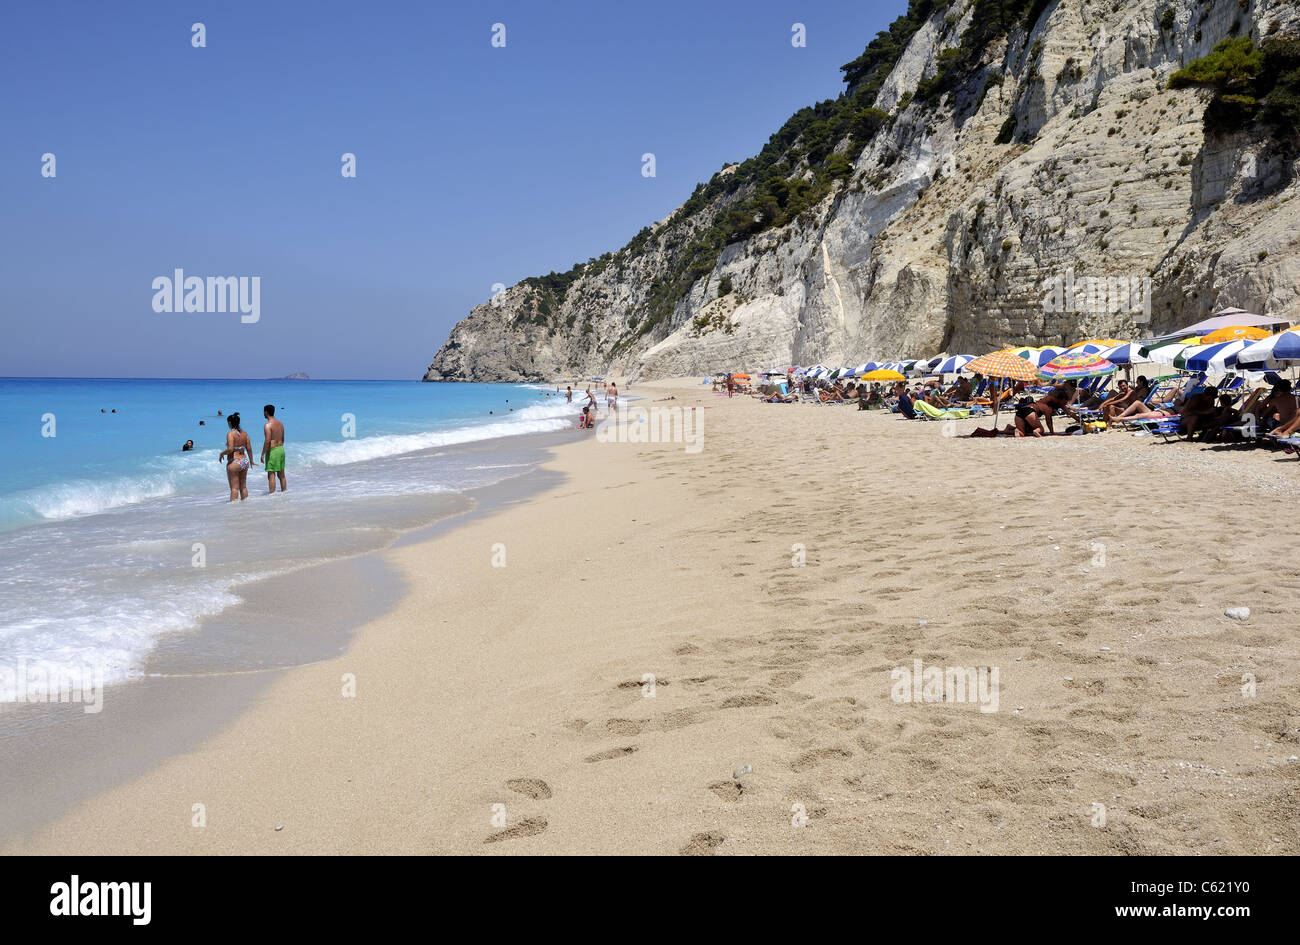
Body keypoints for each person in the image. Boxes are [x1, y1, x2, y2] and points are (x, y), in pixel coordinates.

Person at [218, 413, 256, 501]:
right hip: (244, 461)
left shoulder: (230, 434)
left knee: (234, 489)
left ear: (230, 423)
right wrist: (251, 460)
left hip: (234, 462)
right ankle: (245, 507)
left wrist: (222, 453)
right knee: (243, 487)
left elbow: (230, 449)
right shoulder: (245, 434)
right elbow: (249, 448)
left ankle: (233, 512)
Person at [261, 403, 287, 494]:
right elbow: (283, 439)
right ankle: (284, 493)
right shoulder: (280, 424)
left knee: (271, 475)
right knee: (282, 475)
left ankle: (272, 496)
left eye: (264, 412)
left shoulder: (267, 425)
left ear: (266, 412)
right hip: (281, 449)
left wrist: (263, 454)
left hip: (273, 451)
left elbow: (267, 440)